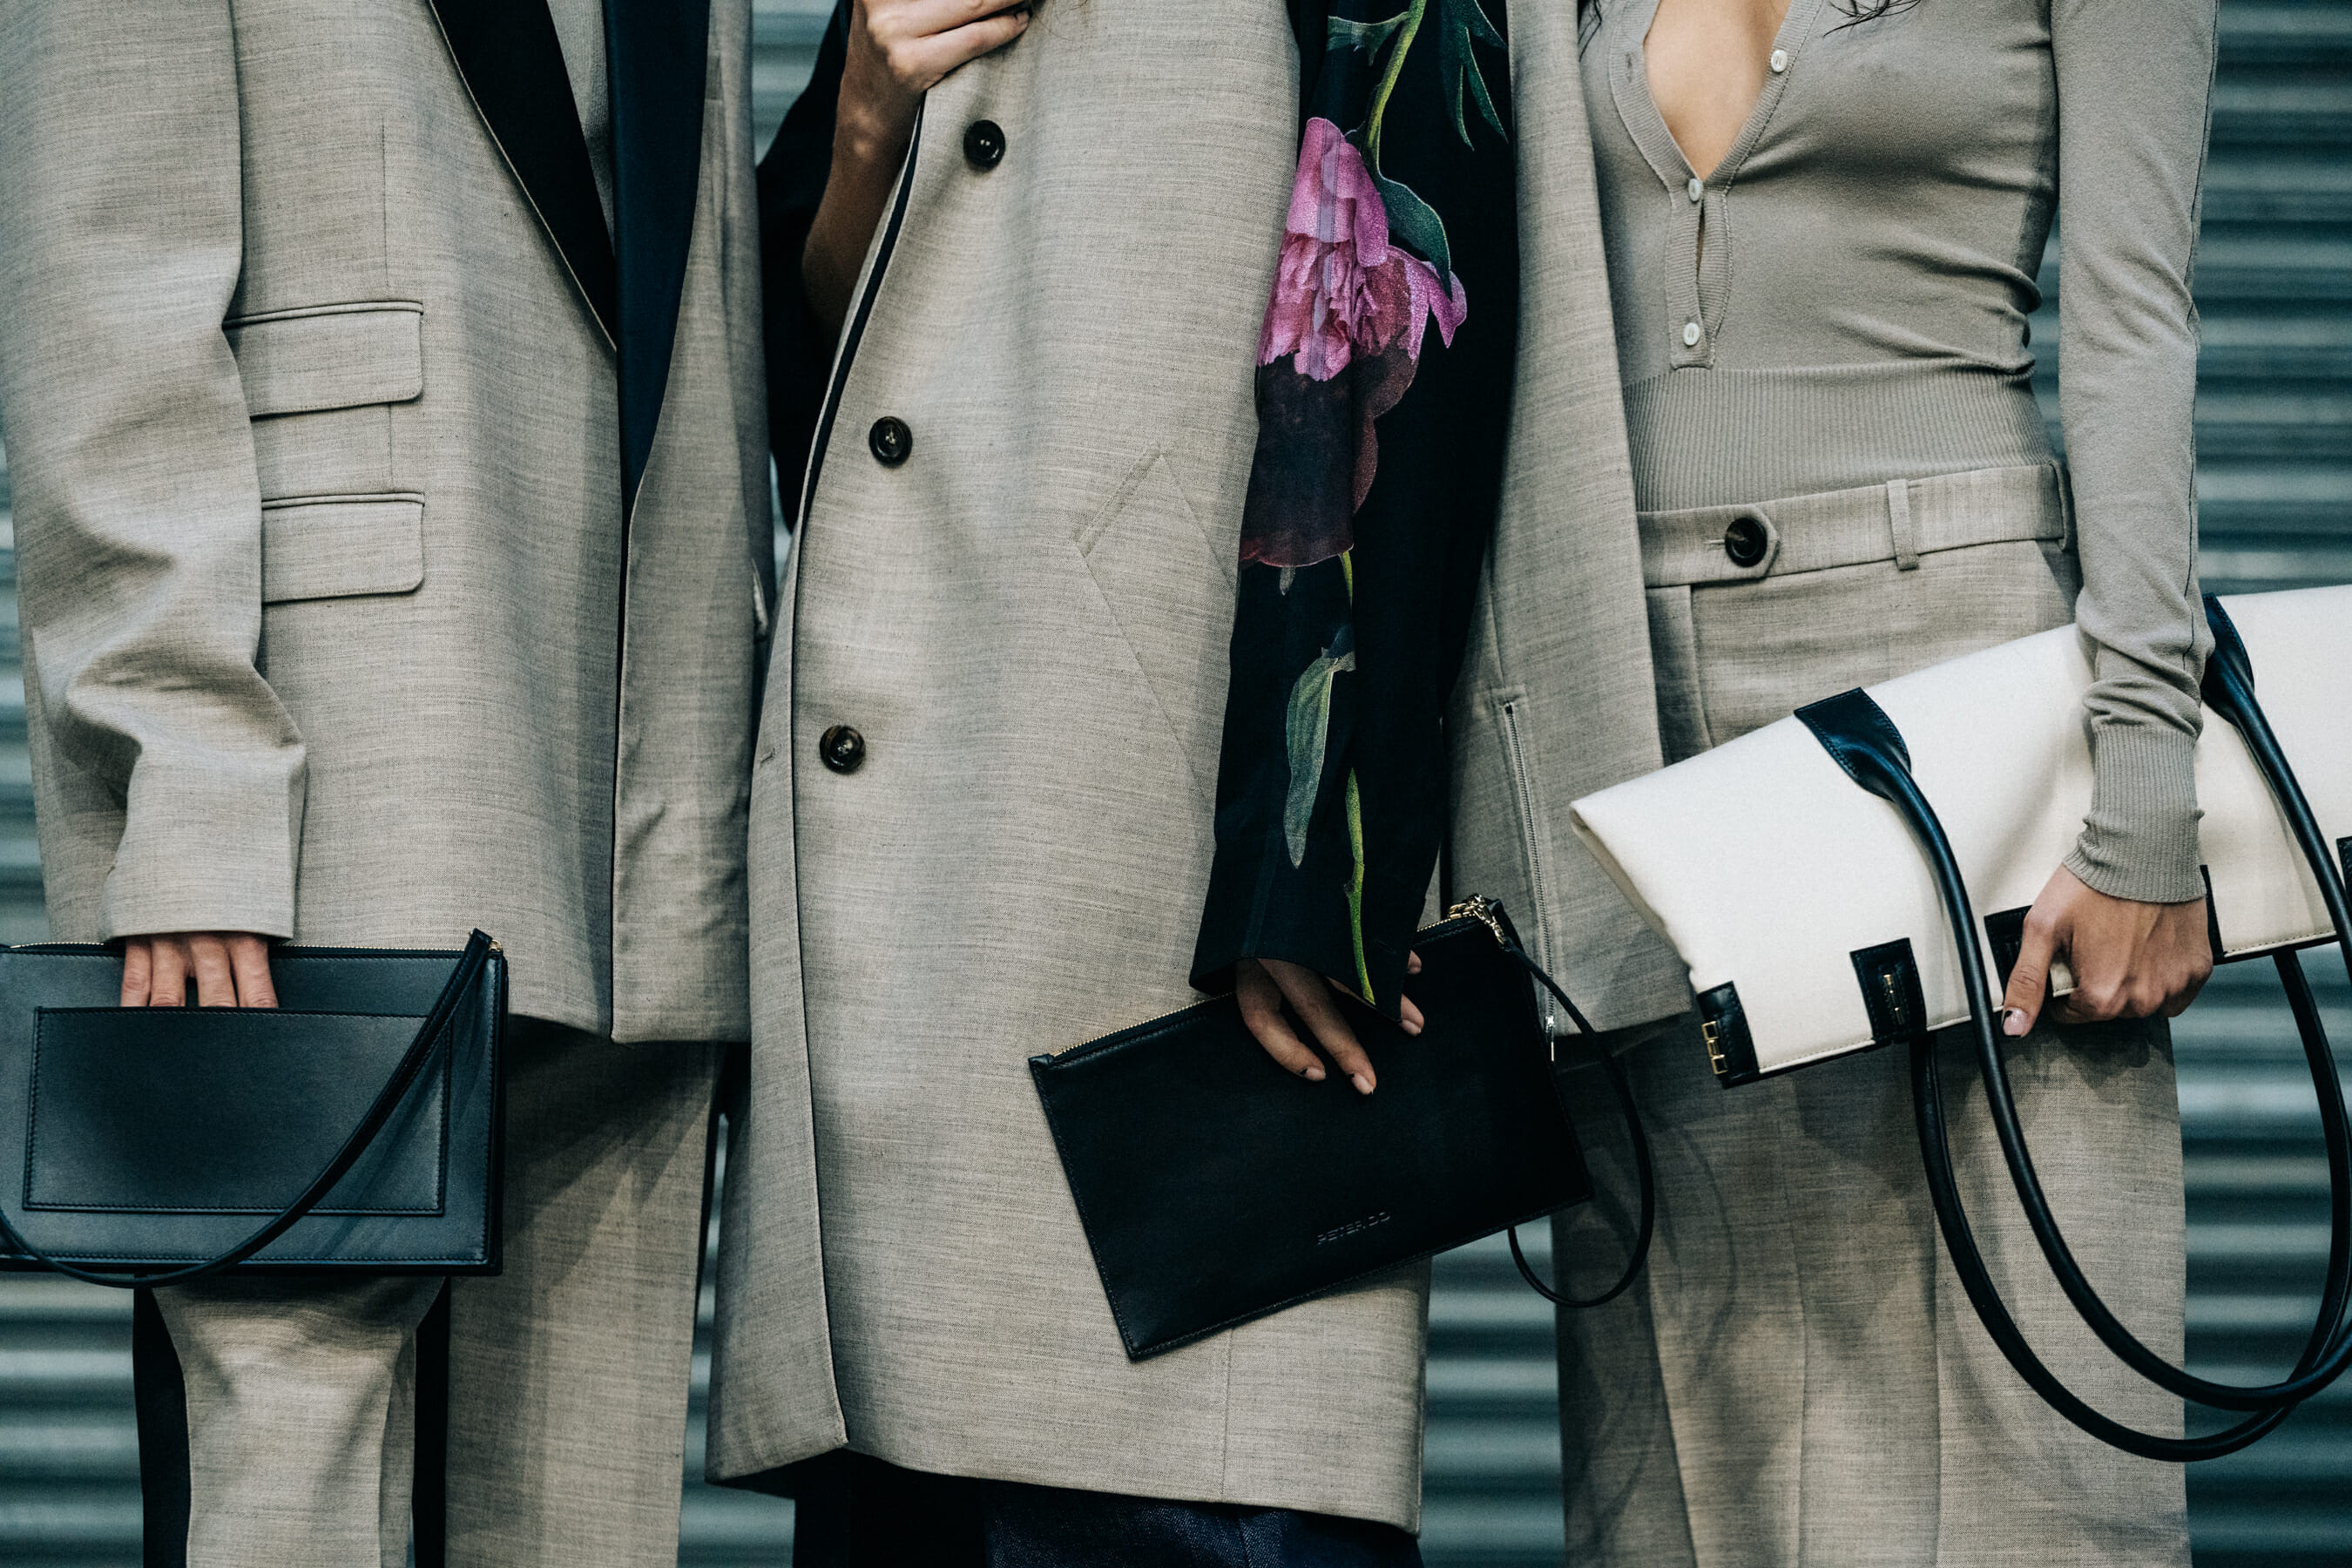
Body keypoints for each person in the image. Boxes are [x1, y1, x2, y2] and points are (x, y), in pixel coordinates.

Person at [703, 0, 1691, 1561]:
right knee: (922, 1483)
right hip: (920, 903)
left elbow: (1413, 321)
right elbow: (808, 401)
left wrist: (1323, 869)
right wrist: (867, 122)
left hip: (1172, 918)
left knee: (1193, 1479)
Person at [0, 2, 771, 1563]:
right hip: (323, 799)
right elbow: (102, 289)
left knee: (580, 1511)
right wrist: (187, 778)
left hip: (644, 793)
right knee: (290, 1488)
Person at [1549, 1, 2215, 1563]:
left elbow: (2135, 325)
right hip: (1637, 734)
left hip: (1962, 726)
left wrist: (2146, 808)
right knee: (1683, 1466)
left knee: (2021, 1459)